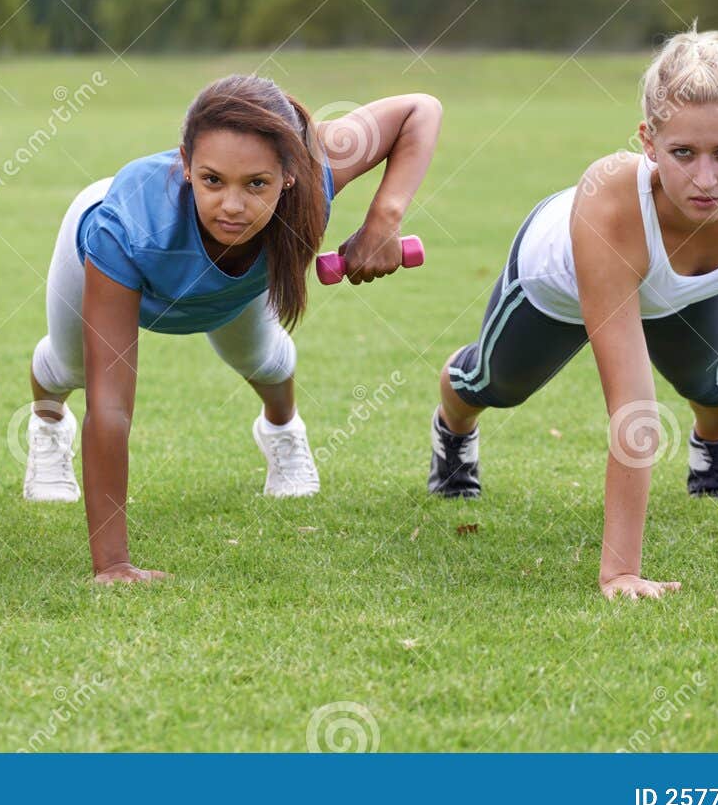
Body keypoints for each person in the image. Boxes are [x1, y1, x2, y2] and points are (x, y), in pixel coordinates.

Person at [427, 29, 718, 600]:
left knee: (712, 386)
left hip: (684, 287)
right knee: (492, 384)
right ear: (649, 142)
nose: (705, 180)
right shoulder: (612, 203)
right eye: (683, 153)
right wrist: (621, 572)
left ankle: (712, 445)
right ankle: (454, 429)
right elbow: (633, 405)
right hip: (561, 283)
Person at [23, 74, 442, 583]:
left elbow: (420, 109)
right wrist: (113, 565)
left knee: (263, 360)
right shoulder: (125, 228)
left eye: (256, 184)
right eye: (213, 180)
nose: (233, 206)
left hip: (229, 287)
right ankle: (48, 428)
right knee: (70, 368)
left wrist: (385, 218)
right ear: (186, 164)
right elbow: (111, 406)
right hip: (108, 253)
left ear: (291, 173)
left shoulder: (318, 166)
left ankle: (283, 432)